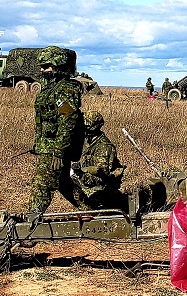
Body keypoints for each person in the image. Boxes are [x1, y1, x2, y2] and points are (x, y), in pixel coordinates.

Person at [27, 45, 84, 220]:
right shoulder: (52, 88)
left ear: (58, 66)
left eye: (46, 66)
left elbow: (68, 121)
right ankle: (93, 208)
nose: (42, 70)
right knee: (63, 184)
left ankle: (31, 224)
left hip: (56, 149)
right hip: (49, 147)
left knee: (42, 185)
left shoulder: (64, 89)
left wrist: (59, 152)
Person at [72, 112, 127, 211]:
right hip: (89, 185)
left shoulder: (104, 147)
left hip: (102, 191)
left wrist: (79, 175)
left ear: (90, 129)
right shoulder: (88, 142)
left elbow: (101, 179)